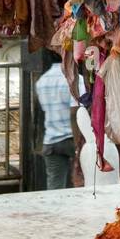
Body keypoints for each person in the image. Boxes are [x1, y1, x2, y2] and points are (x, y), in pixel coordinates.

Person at [35, 50, 79, 190]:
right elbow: (74, 113)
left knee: (55, 186)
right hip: (72, 139)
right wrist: (79, 144)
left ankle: (55, 211)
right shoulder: (74, 79)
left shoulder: (41, 82)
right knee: (82, 182)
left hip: (52, 140)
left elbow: (44, 110)